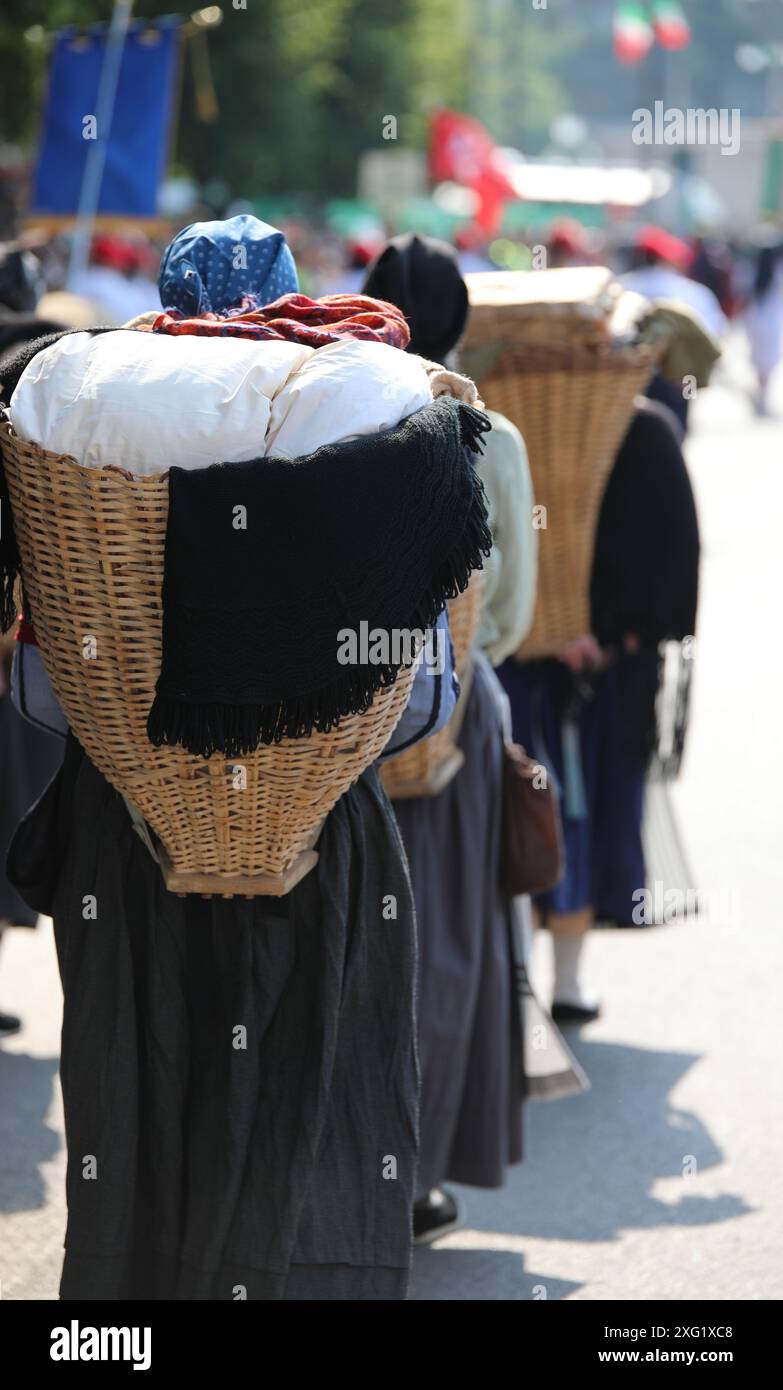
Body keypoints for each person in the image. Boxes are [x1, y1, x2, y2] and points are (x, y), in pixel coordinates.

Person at [1, 217, 483, 1300]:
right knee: (311, 1089)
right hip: (324, 832)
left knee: (135, 1090)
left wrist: (141, 728)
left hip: (122, 833)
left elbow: (40, 695)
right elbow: (418, 703)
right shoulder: (372, 434)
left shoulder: (86, 439)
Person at [363, 234, 536, 1242]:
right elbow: (508, 611)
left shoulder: (331, 416)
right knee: (447, 948)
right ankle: (418, 1175)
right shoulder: (490, 434)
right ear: (462, 325)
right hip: (457, 717)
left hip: (335, 725)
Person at [497, 397, 700, 1021]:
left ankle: (526, 985)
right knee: (571, 812)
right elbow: (675, 559)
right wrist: (616, 635)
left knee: (525, 811)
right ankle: (561, 983)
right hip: (599, 670)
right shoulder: (644, 428)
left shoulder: (500, 411)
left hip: (523, 660)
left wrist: (535, 630)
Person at [744, 239, 783, 416]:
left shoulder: (754, 272)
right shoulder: (777, 271)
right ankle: (762, 396)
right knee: (768, 361)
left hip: (755, 318)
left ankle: (761, 395)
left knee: (760, 361)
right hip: (772, 319)